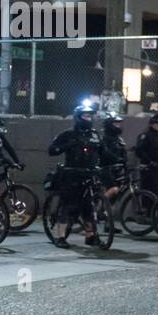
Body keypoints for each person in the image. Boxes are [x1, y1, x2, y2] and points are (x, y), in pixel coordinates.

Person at [47, 101, 103, 247]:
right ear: (78, 117)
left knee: (88, 207)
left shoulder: (95, 135)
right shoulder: (68, 134)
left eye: (90, 116)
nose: (89, 118)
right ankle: (60, 237)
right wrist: (67, 146)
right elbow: (52, 150)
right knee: (67, 206)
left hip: (89, 174)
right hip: (72, 175)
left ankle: (91, 236)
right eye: (85, 115)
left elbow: (103, 152)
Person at [134, 112, 158, 195]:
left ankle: (155, 207)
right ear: (151, 124)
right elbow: (139, 151)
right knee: (147, 192)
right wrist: (150, 162)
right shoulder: (145, 136)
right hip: (148, 170)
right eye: (157, 124)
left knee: (157, 192)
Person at [98, 112, 128, 208]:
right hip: (105, 168)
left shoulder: (119, 139)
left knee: (117, 192)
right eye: (115, 123)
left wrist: (124, 161)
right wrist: (118, 159)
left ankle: (106, 213)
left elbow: (124, 153)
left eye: (119, 123)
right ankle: (98, 207)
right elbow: (105, 153)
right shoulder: (104, 138)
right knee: (113, 188)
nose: (118, 126)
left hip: (117, 169)